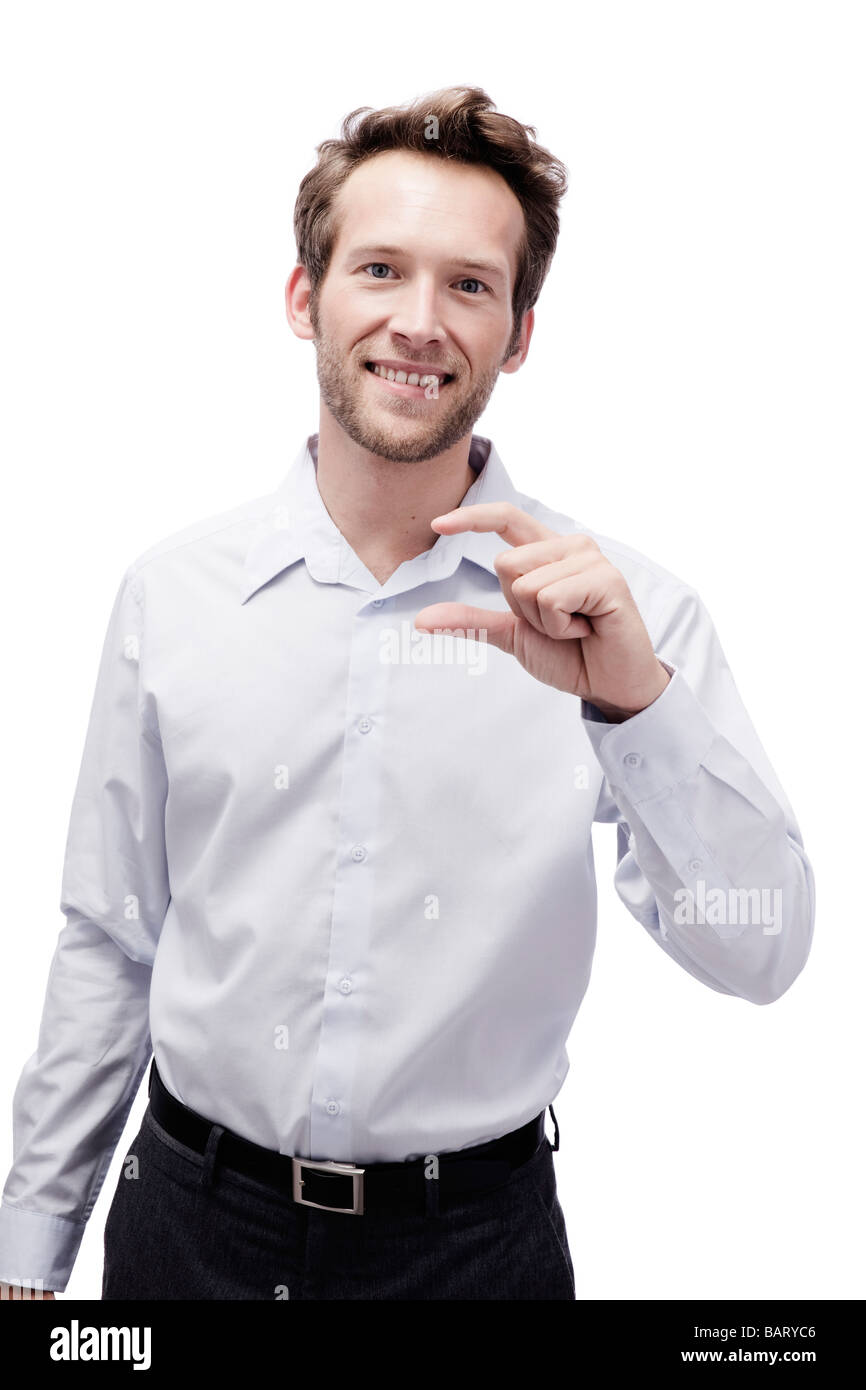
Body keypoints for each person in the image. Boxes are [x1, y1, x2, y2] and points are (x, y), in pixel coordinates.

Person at [0, 85, 815, 1302]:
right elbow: (114, 937)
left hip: (472, 1254)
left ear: (518, 331)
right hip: (188, 1229)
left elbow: (760, 952)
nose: (419, 322)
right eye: (379, 269)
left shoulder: (622, 619)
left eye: (469, 285)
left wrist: (634, 706)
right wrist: (29, 1248)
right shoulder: (172, 595)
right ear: (304, 298)